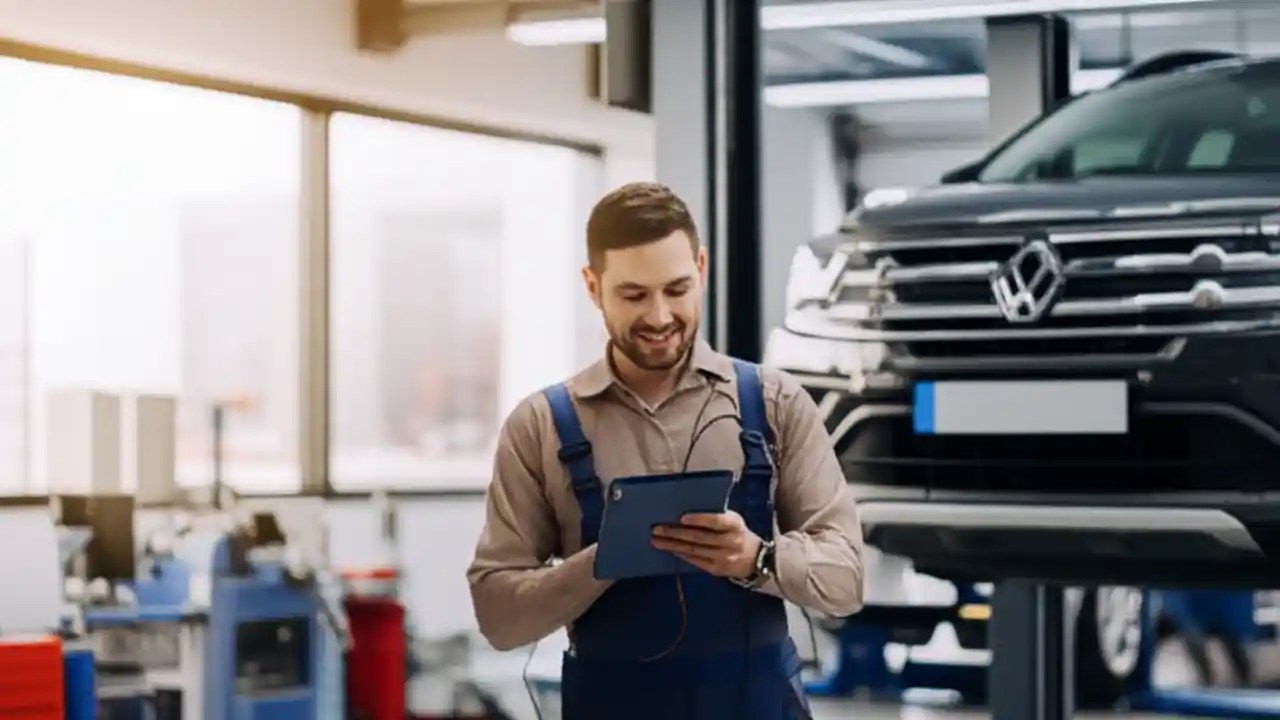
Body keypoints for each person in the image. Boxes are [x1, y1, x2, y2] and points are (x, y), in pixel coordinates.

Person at [467, 181, 864, 719]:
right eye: (633, 295)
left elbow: (846, 581)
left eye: (677, 289)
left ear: (701, 268)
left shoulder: (774, 405)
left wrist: (758, 557)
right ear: (592, 285)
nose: (658, 317)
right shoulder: (541, 428)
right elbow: (498, 615)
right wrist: (601, 563)